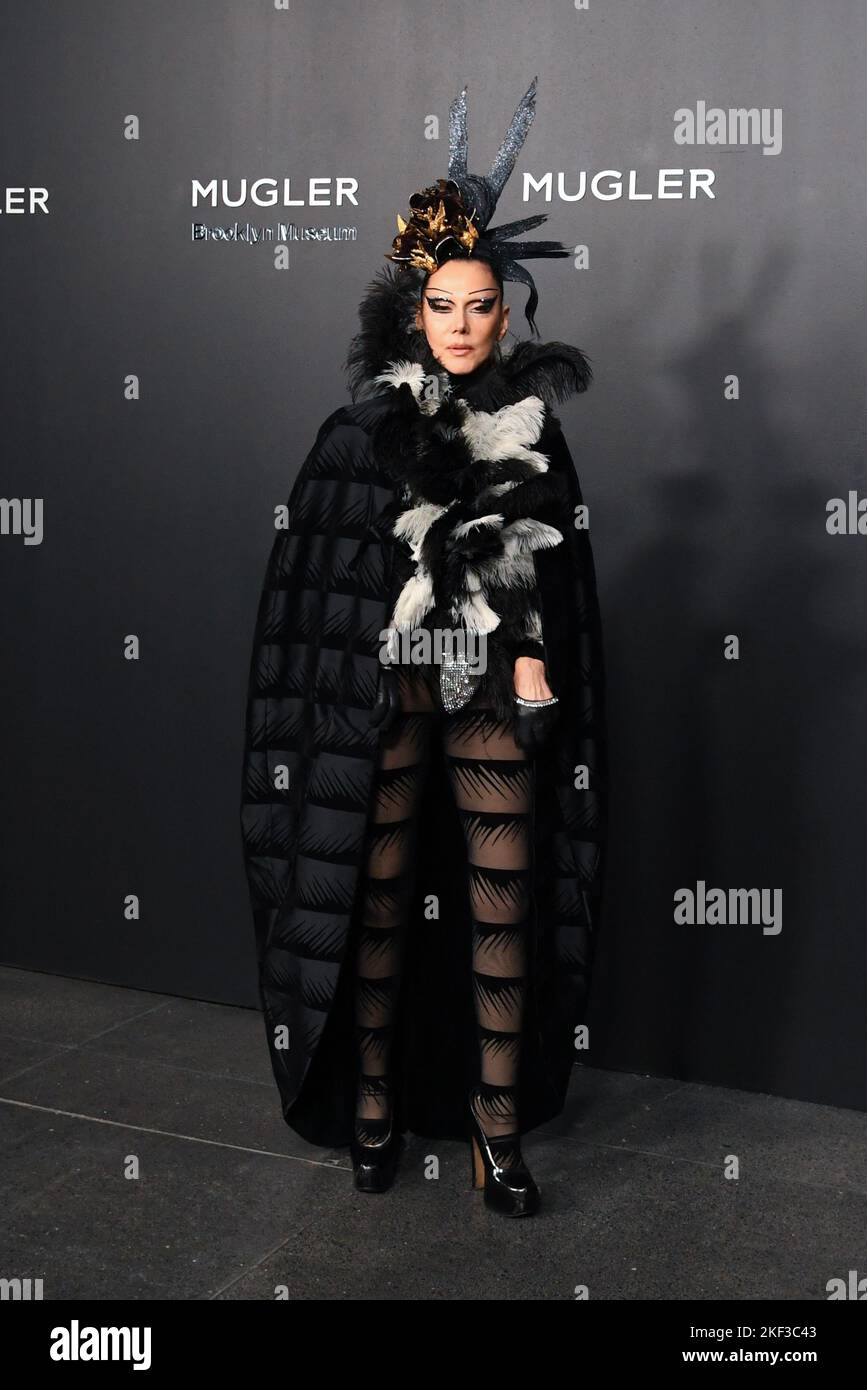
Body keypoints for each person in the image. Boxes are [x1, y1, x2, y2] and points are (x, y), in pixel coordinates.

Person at [239, 77, 607, 1218]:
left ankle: (499, 1139)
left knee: (500, 908)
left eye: (482, 306)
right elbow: (326, 588)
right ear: (415, 312)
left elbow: (548, 565)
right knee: (380, 902)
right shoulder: (358, 436)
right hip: (391, 689)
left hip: (492, 683)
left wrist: (535, 648)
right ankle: (372, 1114)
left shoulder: (536, 431)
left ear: (508, 315)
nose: (460, 324)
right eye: (442, 304)